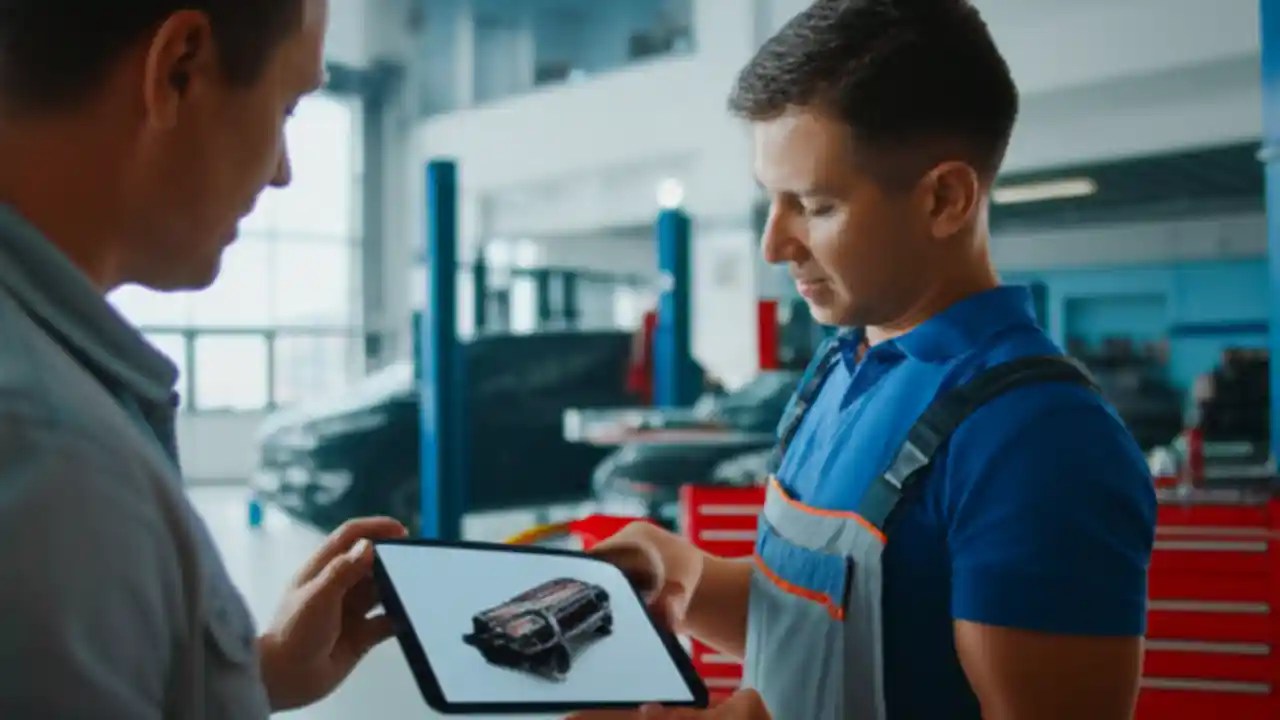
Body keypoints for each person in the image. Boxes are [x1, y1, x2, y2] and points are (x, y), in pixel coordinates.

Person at [574, 0, 1156, 718]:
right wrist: (686, 576)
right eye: (771, 201)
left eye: (814, 206)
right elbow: (841, 630)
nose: (774, 245)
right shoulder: (842, 367)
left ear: (944, 199)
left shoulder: (1036, 441)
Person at [0, 1, 408, 717]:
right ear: (179, 69)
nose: (282, 172)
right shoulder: (57, 466)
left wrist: (257, 673)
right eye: (285, 109)